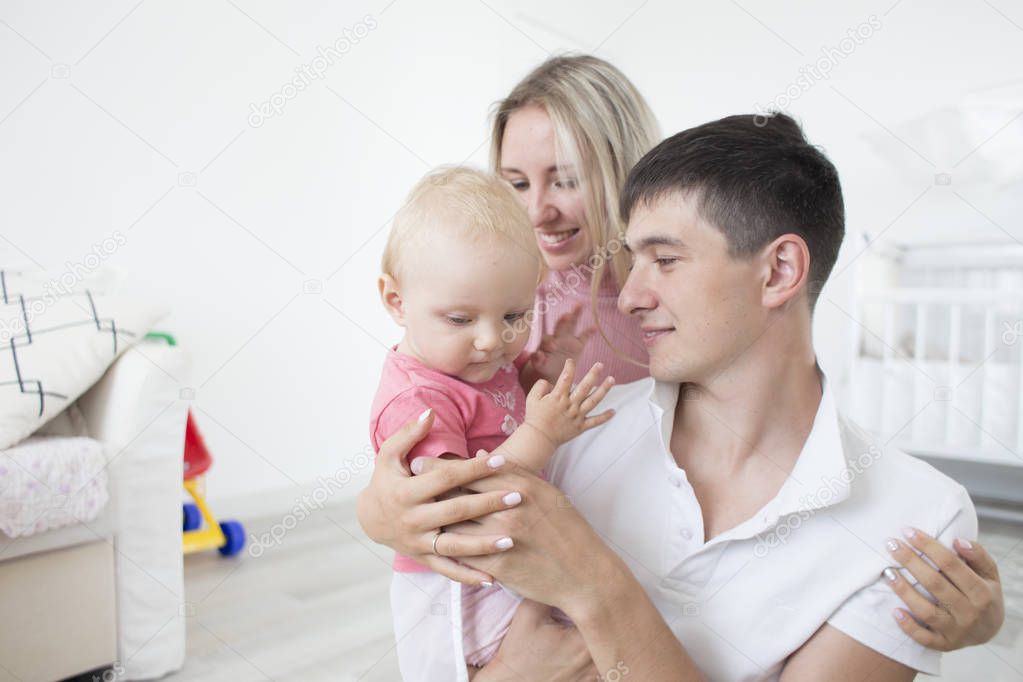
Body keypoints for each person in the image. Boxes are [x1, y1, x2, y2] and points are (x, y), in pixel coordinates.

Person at [359, 113, 1007, 680]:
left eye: (664, 261)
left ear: (778, 271)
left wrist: (597, 591)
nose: (632, 295)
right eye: (632, 260)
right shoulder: (579, 437)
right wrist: (380, 513)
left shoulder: (915, 525)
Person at [371, 166, 616, 680]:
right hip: (455, 586)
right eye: (461, 320)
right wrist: (543, 434)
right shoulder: (419, 397)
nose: (492, 341)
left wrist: (536, 369)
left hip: (500, 561)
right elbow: (461, 503)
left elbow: (497, 403)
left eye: (513, 317)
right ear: (397, 301)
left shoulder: (471, 362)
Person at [494, 54, 661, 385]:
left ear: (626, 173)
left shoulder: (679, 308)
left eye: (565, 181)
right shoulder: (494, 304)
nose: (537, 213)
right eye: (518, 184)